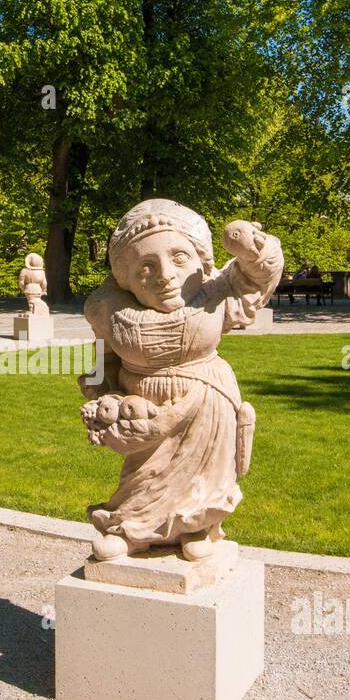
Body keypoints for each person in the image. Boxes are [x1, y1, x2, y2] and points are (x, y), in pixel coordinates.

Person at [78, 200, 283, 563]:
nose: (166, 275)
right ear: (125, 277)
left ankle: (197, 527)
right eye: (146, 267)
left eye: (179, 258)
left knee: (206, 474)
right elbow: (101, 357)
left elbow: (259, 278)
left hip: (206, 400)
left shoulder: (215, 296)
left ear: (200, 261)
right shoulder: (109, 310)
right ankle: (130, 528)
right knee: (144, 476)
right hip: (141, 407)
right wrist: (98, 394)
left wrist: (251, 245)